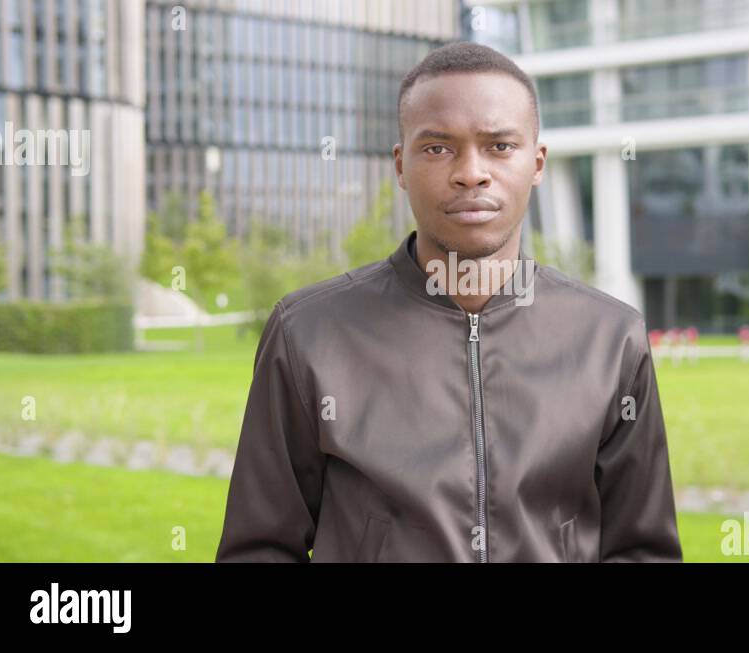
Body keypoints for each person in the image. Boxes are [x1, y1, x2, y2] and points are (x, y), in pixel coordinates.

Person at [215, 42, 682, 563]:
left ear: (537, 162)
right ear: (400, 164)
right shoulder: (308, 333)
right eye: (438, 148)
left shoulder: (610, 337)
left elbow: (643, 551)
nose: (471, 172)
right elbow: (258, 550)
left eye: (500, 146)